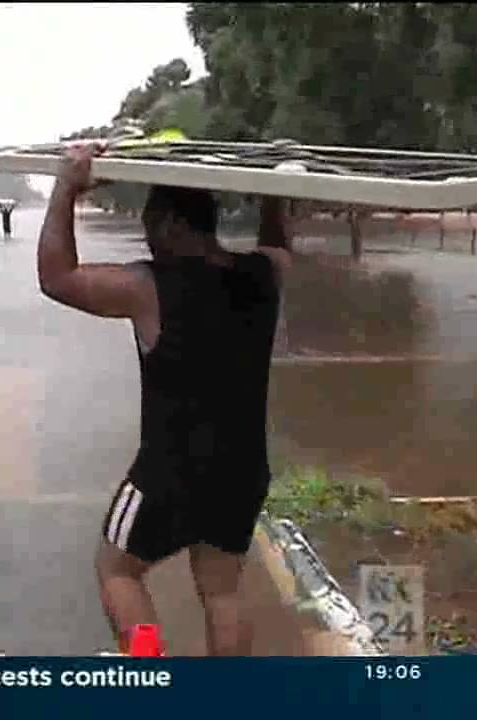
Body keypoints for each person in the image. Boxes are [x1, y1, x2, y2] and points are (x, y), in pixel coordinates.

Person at [36, 144, 291, 656]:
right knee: (221, 590)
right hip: (242, 470)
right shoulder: (267, 274)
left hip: (168, 473)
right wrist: (275, 198)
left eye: (151, 225)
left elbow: (56, 277)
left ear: (173, 225)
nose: (147, 239)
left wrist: (66, 188)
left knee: (118, 572)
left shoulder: (147, 286)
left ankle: (152, 676)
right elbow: (279, 244)